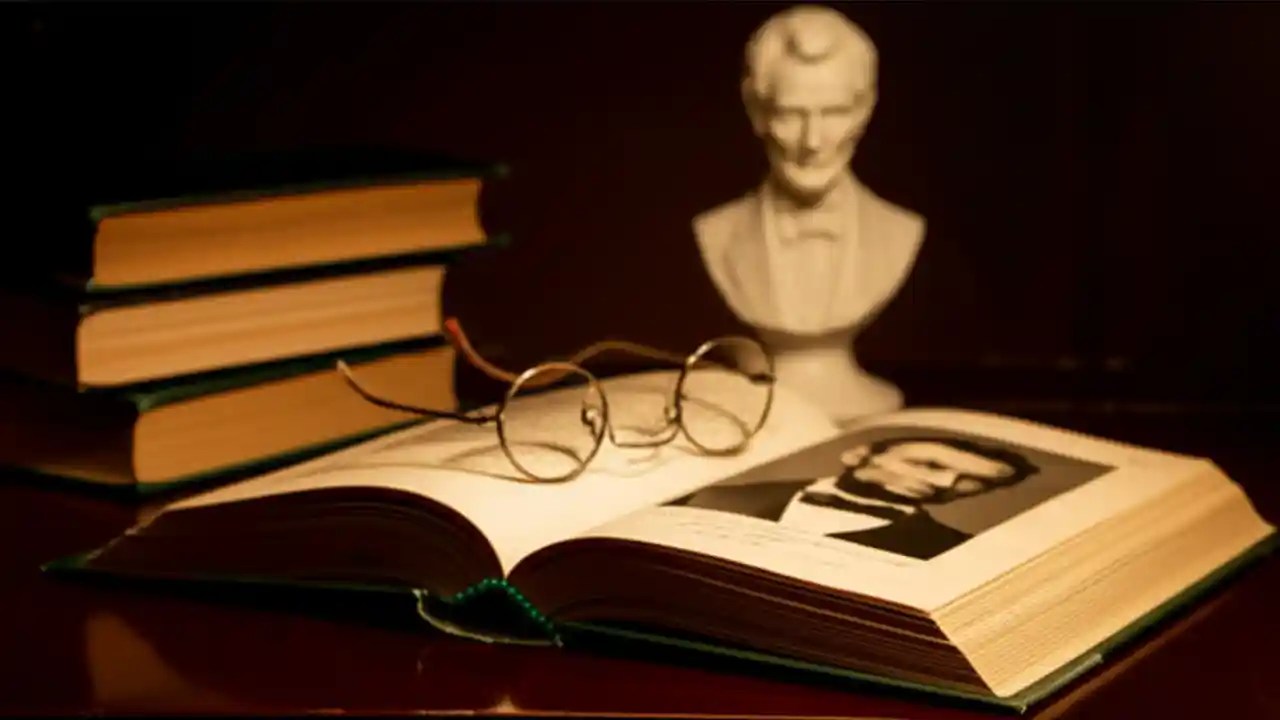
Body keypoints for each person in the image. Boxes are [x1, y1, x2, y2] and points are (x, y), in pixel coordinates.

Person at [691, 5, 927, 421]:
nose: (813, 140)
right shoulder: (718, 233)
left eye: (834, 113)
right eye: (790, 114)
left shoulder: (898, 231)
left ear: (865, 108)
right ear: (756, 110)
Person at [672, 436, 1039, 560]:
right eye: (927, 464)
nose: (943, 483)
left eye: (972, 482)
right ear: (858, 455)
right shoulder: (714, 495)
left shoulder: (949, 551)